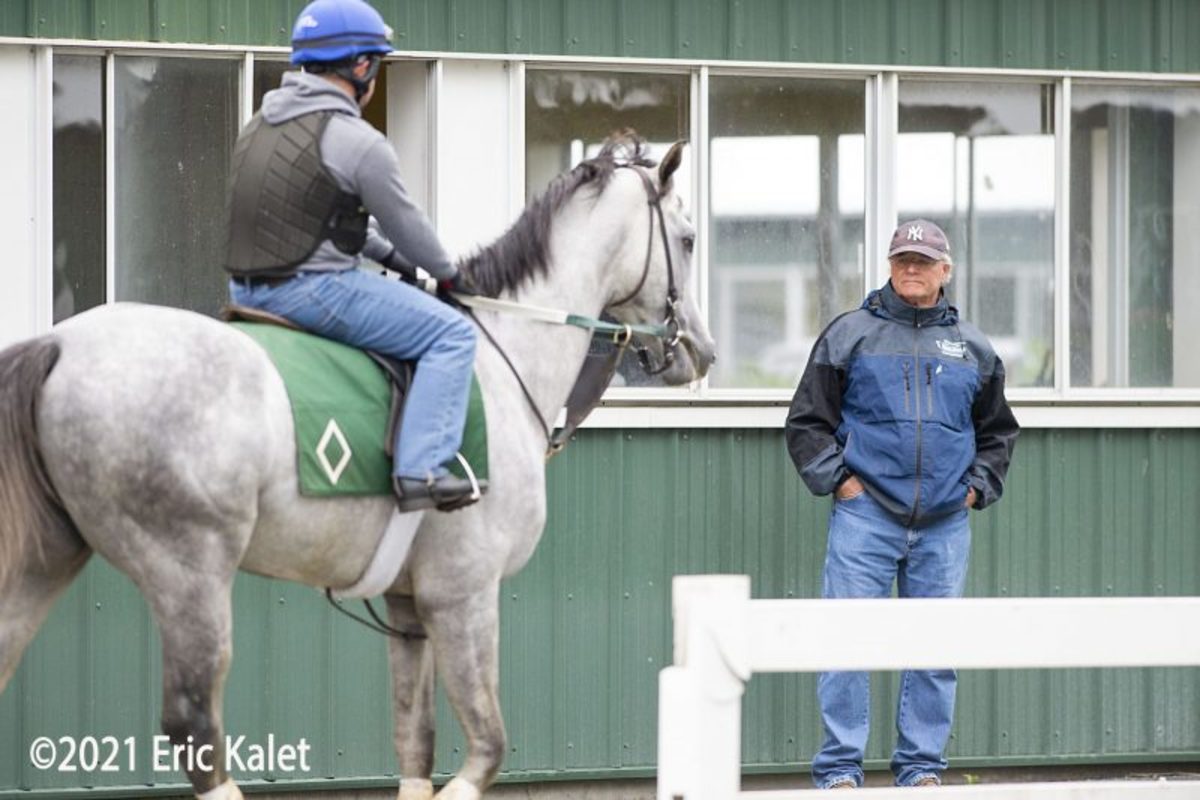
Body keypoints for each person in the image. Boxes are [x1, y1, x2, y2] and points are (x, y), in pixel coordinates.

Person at [785, 219, 1019, 788]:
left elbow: (997, 433)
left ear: (946, 270)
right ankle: (839, 769)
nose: (910, 268)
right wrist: (843, 483)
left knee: (934, 651)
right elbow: (808, 423)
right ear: (888, 266)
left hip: (944, 525)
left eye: (922, 259)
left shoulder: (973, 348)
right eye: (901, 259)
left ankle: (920, 770)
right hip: (865, 517)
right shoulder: (850, 334)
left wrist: (974, 488)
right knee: (846, 642)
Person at [223, 0, 482, 512]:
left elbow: (319, 216)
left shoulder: (259, 126)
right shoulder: (359, 141)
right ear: (362, 66)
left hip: (243, 290)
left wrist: (393, 259)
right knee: (453, 333)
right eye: (377, 65)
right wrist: (449, 275)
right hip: (311, 291)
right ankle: (422, 470)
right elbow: (410, 223)